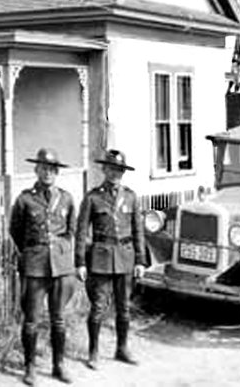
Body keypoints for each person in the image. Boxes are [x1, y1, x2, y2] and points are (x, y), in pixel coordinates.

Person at [9, 148, 77, 385]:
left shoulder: (67, 198)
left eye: (51, 169)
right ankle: (30, 367)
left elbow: (71, 230)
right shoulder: (25, 198)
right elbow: (15, 231)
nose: (47, 173)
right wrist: (33, 251)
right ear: (36, 170)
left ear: (56, 172)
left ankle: (59, 365)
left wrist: (61, 251)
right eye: (43, 169)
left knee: (58, 319)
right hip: (35, 266)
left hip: (61, 267)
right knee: (32, 320)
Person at [75, 149, 146, 371]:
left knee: (124, 308)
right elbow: (81, 231)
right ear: (104, 169)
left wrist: (140, 260)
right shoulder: (93, 197)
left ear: (123, 173)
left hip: (125, 257)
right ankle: (93, 352)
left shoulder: (131, 197)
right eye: (111, 169)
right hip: (101, 259)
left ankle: (122, 348)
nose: (115, 173)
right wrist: (80, 262)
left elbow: (138, 230)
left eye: (119, 170)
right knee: (98, 307)